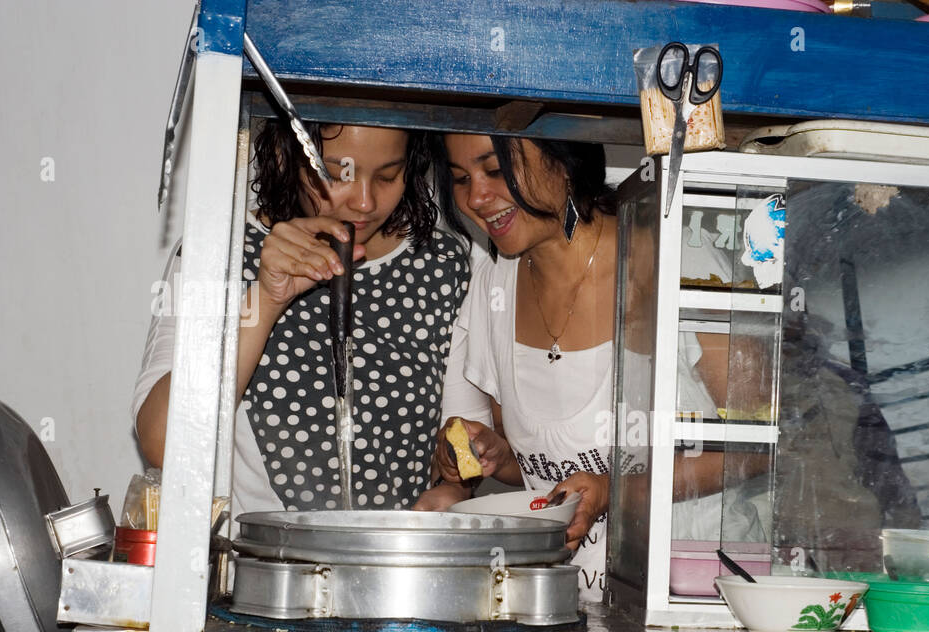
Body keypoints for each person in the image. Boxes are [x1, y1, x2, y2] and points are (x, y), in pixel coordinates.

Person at [133, 121, 469, 519]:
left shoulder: (442, 264)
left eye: (388, 176)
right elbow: (164, 442)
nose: (365, 201)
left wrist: (455, 486)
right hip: (266, 565)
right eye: (339, 173)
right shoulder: (216, 252)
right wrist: (266, 300)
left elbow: (461, 435)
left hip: (396, 565)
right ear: (285, 156)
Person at [416, 135, 617, 601]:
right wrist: (491, 455)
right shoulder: (492, 281)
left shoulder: (659, 259)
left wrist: (612, 489)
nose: (476, 198)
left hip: (689, 593)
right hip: (564, 599)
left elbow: (754, 449)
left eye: (495, 170)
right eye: (462, 178)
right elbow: (531, 463)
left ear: (566, 161)